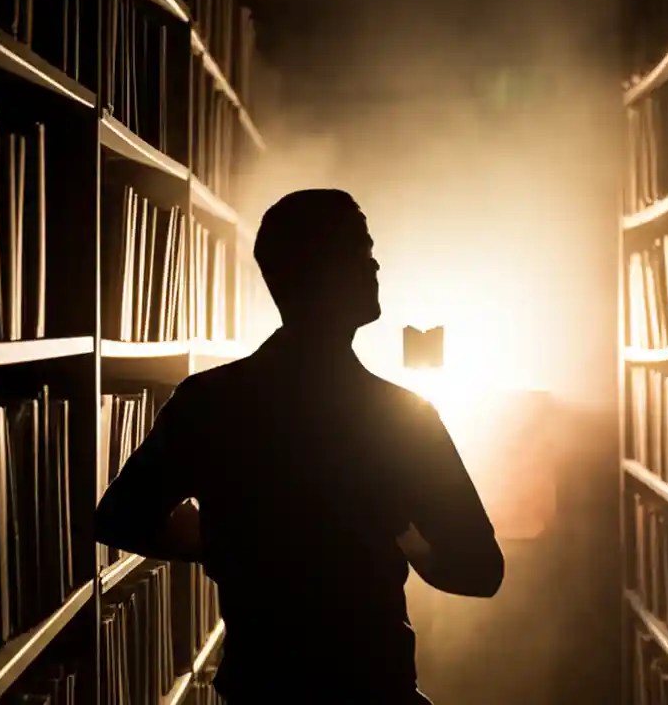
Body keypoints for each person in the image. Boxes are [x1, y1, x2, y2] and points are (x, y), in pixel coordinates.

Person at [94, 189, 505, 704]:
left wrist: (228, 541)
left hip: (261, 689)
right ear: (319, 272)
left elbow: (120, 516)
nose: (374, 264)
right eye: (359, 249)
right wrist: (400, 529)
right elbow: (481, 570)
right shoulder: (400, 416)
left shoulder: (210, 402)